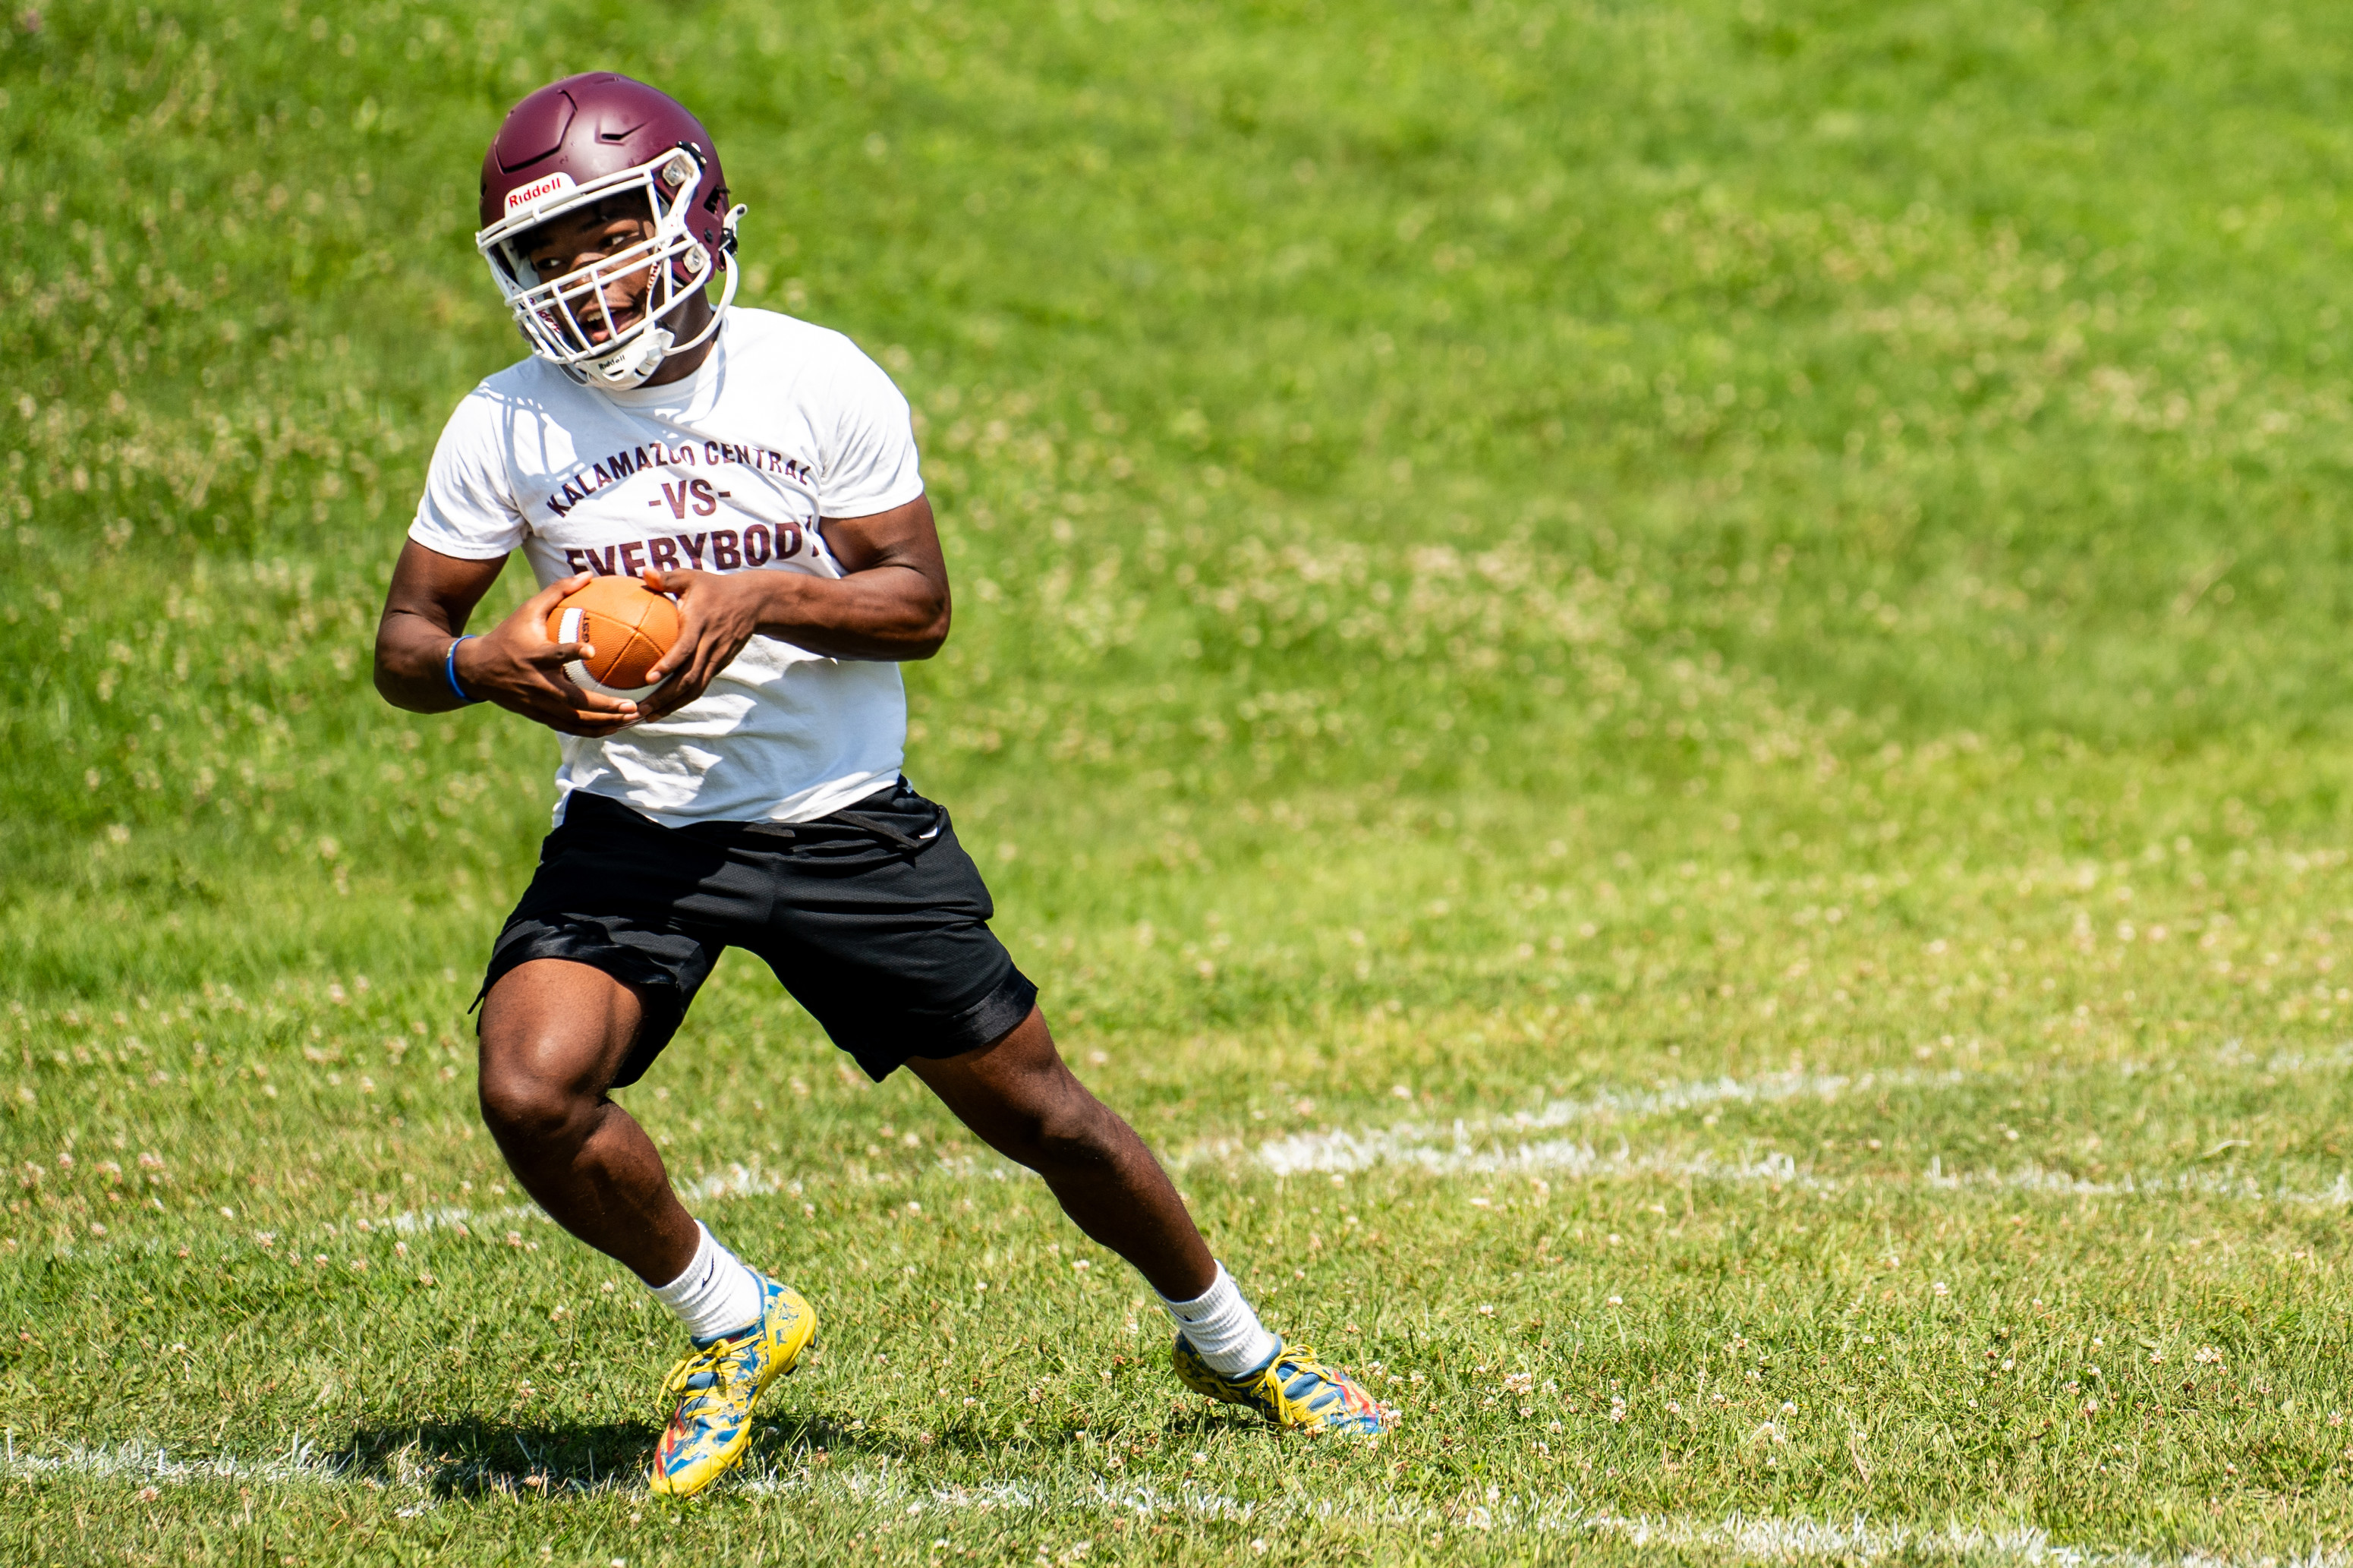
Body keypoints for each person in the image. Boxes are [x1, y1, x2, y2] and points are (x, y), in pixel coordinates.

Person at [370, 72, 1388, 1497]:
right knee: (530, 1089)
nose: (582, 280)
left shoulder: (813, 375)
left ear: (696, 213)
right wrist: (485, 664)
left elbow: (919, 601)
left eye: (605, 234)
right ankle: (735, 1318)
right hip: (637, 821)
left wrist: (761, 596)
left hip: (837, 818)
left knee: (1051, 1120)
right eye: (547, 256)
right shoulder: (506, 420)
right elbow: (404, 647)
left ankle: (1235, 1343)